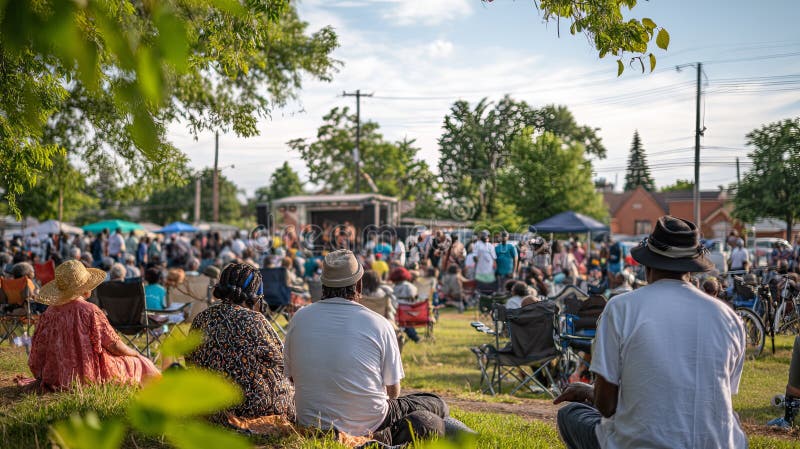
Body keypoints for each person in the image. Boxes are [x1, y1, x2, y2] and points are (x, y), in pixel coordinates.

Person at [555, 216, 746, 449]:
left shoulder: (621, 308)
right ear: (691, 268)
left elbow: (606, 406)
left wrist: (588, 391)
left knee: (571, 414)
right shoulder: (728, 317)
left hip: (639, 443)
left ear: (647, 265)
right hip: (722, 443)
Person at [284, 250, 451, 445]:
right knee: (436, 406)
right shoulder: (378, 323)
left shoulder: (299, 318)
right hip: (371, 423)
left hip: (310, 423)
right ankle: (375, 438)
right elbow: (393, 393)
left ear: (323, 285)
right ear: (359, 284)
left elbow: (292, 377)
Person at [28, 260, 159, 389]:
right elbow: (114, 346)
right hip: (87, 376)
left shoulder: (49, 312)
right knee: (141, 362)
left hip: (55, 376)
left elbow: (38, 348)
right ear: (85, 287)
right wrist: (135, 353)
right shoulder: (90, 311)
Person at [187, 263, 295, 420]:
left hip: (208, 409)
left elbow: (190, 361)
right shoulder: (255, 320)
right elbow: (282, 362)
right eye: (261, 299)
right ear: (255, 296)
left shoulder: (200, 319)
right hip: (251, 410)